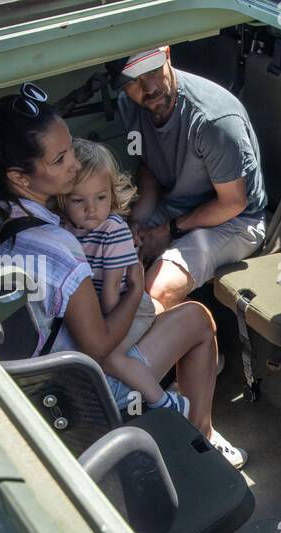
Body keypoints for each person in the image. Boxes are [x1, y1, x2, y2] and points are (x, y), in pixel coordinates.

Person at [0, 84, 248, 468]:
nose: (73, 164)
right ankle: (198, 440)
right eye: (59, 159)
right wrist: (135, 287)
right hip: (80, 391)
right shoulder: (54, 246)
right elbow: (99, 348)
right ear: (21, 178)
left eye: (70, 148)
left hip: (31, 376)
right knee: (197, 319)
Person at [112, 46, 267, 309]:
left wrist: (167, 231)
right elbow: (148, 166)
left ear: (167, 55)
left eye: (152, 70)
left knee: (155, 293)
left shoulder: (212, 120)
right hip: (175, 206)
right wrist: (136, 224)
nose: (148, 88)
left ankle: (162, 346)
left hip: (236, 221)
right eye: (133, 81)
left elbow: (233, 202)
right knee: (109, 259)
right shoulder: (131, 105)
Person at [58, 138, 188, 416]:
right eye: (78, 200)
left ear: (112, 196)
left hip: (128, 307)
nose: (91, 209)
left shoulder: (113, 231)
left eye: (101, 198)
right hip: (100, 309)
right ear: (63, 199)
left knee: (107, 356)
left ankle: (165, 402)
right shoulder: (67, 229)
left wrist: (102, 329)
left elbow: (111, 290)